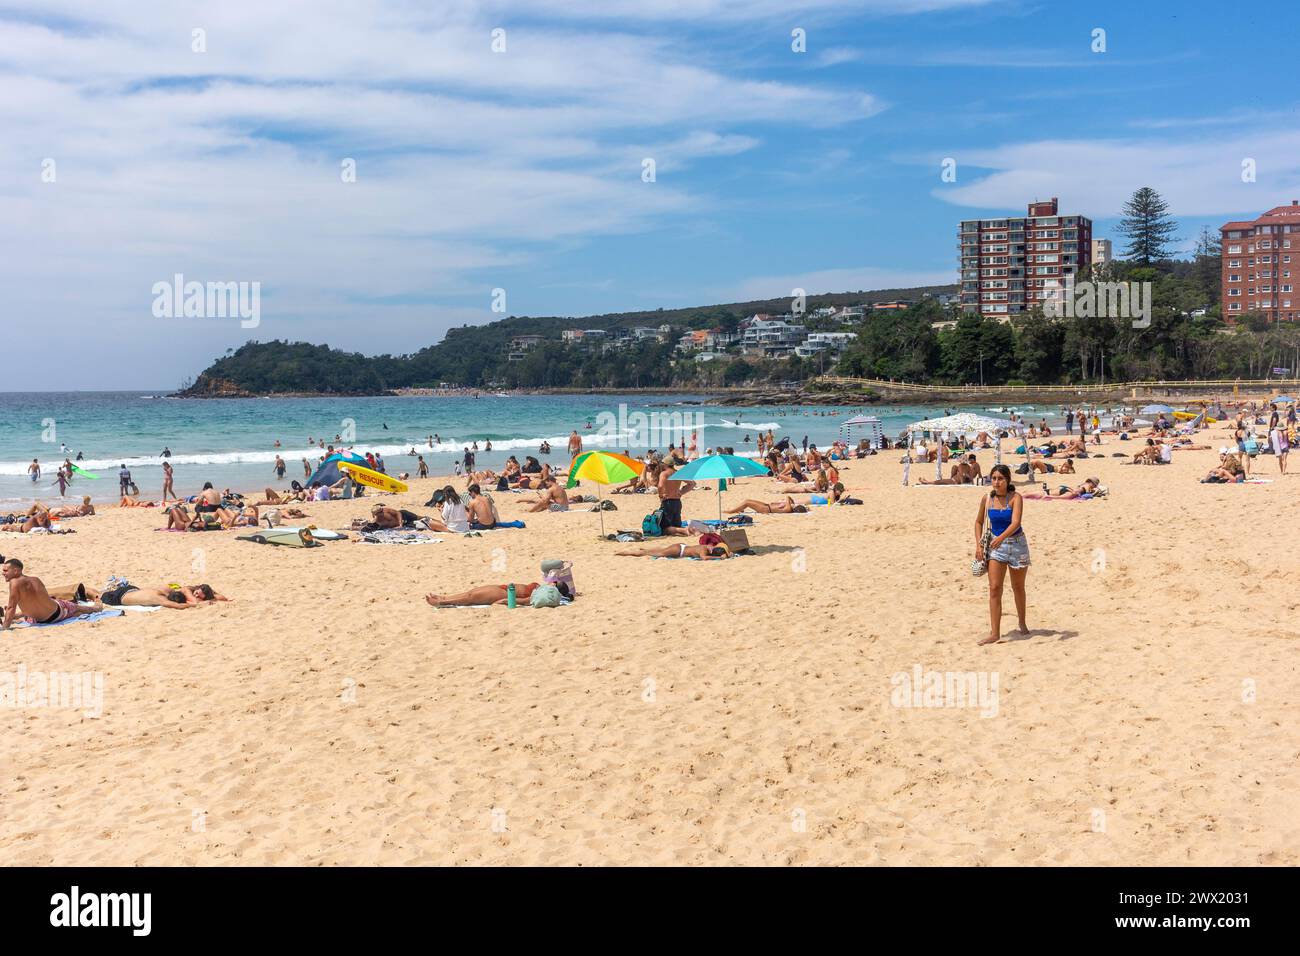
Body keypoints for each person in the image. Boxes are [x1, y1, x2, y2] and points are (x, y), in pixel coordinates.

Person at [975, 464, 1029, 646]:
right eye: (994, 478)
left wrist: (1001, 538)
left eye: (1000, 479)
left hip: (1016, 545)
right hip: (995, 547)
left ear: (1007, 481)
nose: (996, 482)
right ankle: (995, 633)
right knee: (994, 588)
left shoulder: (1015, 498)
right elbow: (978, 521)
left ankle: (1022, 623)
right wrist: (978, 545)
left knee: (1018, 587)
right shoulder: (987, 499)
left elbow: (1016, 523)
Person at [2, 558, 102, 628]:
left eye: (5, 570)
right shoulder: (35, 580)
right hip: (57, 612)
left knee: (81, 609)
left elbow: (11, 607)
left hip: (43, 619)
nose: (3, 573)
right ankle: (93, 608)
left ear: (15, 571)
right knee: (75, 609)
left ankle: (96, 607)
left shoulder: (14, 582)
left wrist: (5, 628)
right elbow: (39, 602)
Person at [424, 581, 571, 607]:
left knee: (470, 598)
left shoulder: (545, 593)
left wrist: (503, 601)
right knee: (470, 593)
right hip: (502, 588)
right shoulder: (542, 588)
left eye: (555, 582)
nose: (551, 582)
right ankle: (444, 597)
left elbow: (525, 601)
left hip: (501, 593)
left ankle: (441, 603)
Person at [614, 542, 730, 559]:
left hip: (681, 546)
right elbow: (704, 558)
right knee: (648, 554)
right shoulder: (704, 551)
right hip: (678, 551)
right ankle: (623, 552)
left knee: (659, 550)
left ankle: (644, 548)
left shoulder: (707, 546)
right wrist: (719, 557)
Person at [726, 496, 808, 514]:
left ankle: (731, 511)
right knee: (747, 500)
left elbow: (787, 497)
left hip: (766, 509)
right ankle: (739, 509)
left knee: (747, 502)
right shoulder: (789, 507)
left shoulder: (789, 508)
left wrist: (791, 501)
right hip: (766, 506)